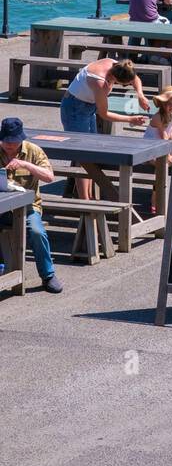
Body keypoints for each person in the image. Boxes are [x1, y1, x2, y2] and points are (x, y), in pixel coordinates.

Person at [60, 58, 149, 198]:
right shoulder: (100, 82)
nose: (126, 86)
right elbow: (104, 114)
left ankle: (89, 195)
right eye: (124, 85)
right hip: (74, 108)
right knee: (82, 154)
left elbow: (135, 78)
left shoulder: (118, 65)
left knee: (91, 151)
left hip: (88, 105)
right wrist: (130, 119)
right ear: (115, 78)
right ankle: (85, 201)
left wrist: (140, 95)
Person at [0, 118, 63, 293]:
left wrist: (26, 165)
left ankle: (48, 275)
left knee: (37, 231)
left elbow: (49, 177)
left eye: (13, 142)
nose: (9, 145)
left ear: (21, 139)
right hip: (2, 207)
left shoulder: (33, 151)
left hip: (28, 207)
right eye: (6, 141)